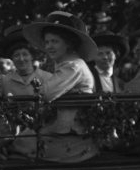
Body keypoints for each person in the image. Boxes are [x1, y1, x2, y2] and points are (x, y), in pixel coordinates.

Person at [11, 11, 99, 161]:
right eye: (47, 42)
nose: (49, 46)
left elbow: (44, 94)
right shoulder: (68, 65)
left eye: (55, 41)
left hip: (71, 141)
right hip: (59, 133)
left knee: (15, 146)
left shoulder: (73, 67)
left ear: (68, 43)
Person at [0, 26, 51, 97]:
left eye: (25, 54)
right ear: (11, 58)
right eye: (16, 55)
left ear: (32, 56)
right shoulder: (4, 82)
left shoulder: (47, 78)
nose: (21, 59)